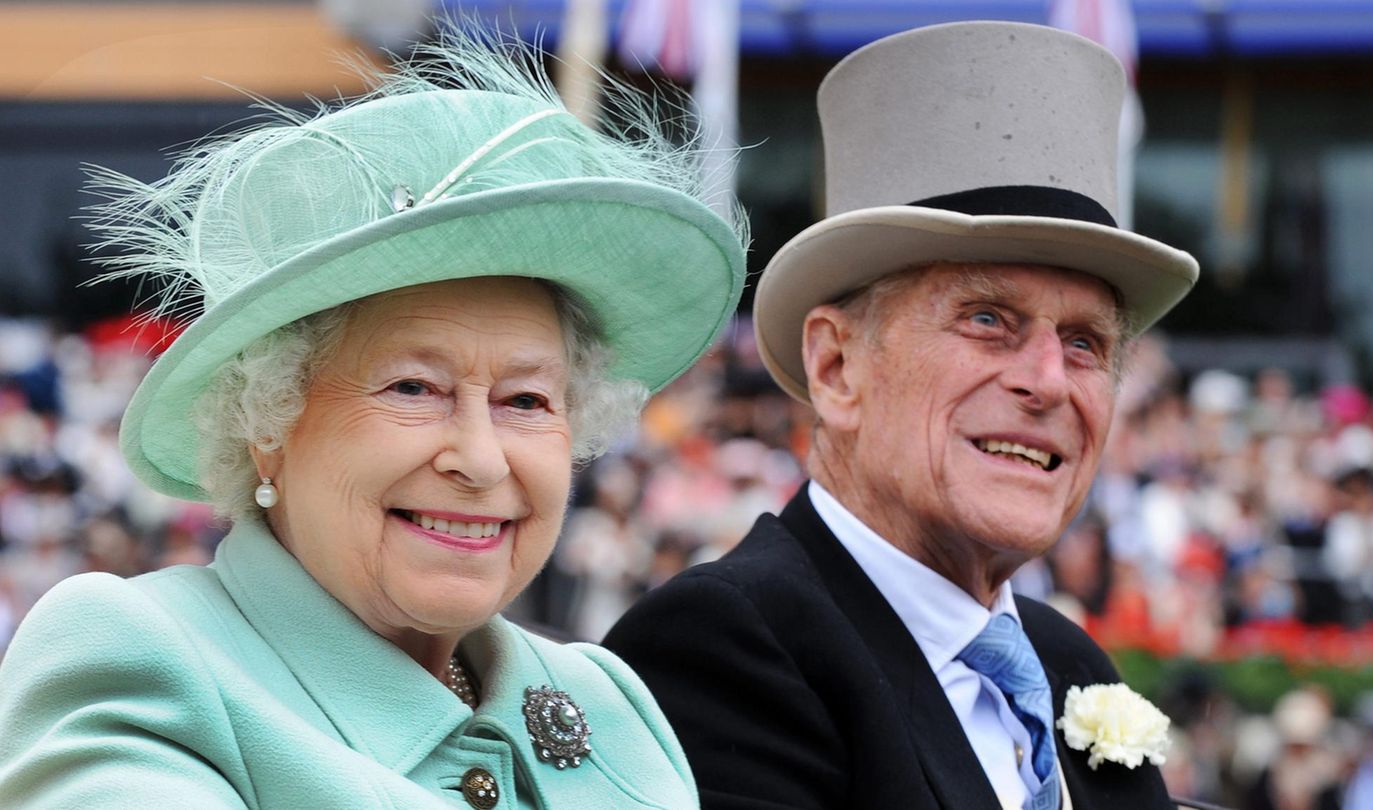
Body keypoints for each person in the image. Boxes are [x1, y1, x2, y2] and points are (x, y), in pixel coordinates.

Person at [0, 22, 746, 809]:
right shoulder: (142, 656)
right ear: (268, 421)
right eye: (413, 389)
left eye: (525, 401)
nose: (482, 460)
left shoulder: (607, 699)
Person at [605, 21, 1204, 810]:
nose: (1050, 382)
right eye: (988, 319)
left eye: (1087, 342)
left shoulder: (1069, 665)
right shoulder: (724, 644)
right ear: (837, 367)